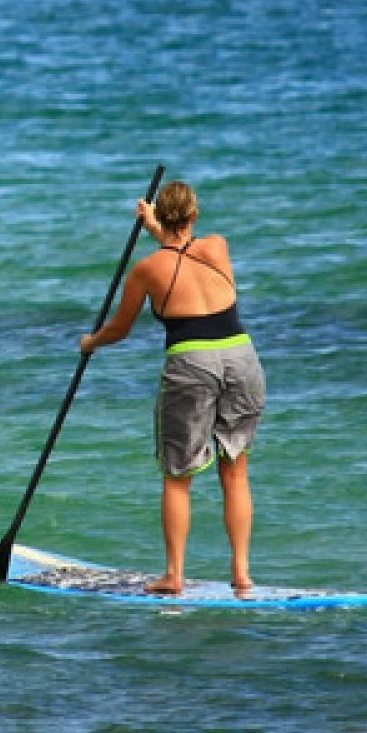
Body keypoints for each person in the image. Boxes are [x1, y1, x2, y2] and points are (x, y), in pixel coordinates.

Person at [79, 180, 266, 595]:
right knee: (235, 471)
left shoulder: (146, 271)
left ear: (161, 217)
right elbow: (183, 249)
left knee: (177, 477)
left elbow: (120, 329)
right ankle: (241, 573)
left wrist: (91, 343)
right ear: (195, 216)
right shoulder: (217, 246)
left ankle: (174, 575)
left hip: (191, 363)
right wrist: (158, 227)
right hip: (242, 357)